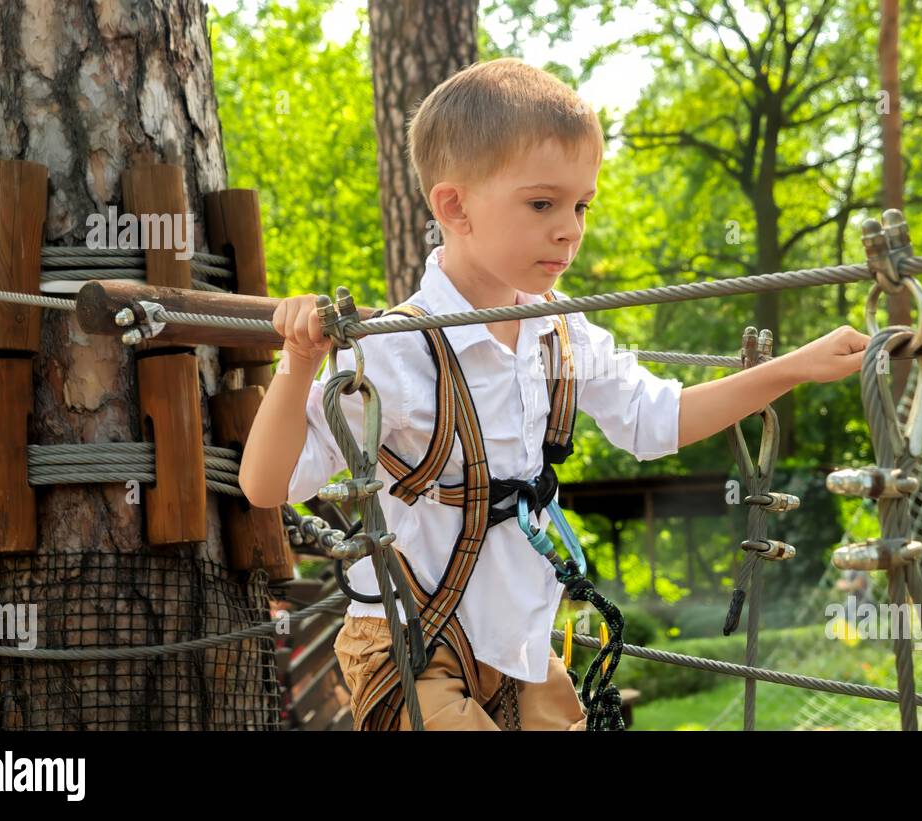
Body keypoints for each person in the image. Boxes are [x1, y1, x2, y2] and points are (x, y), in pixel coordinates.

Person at [239, 57, 869, 730]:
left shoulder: (559, 332)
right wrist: (299, 363)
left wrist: (793, 368)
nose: (570, 228)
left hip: (523, 645)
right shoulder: (397, 352)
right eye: (543, 203)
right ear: (454, 206)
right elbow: (267, 483)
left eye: (580, 205)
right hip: (413, 647)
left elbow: (653, 420)